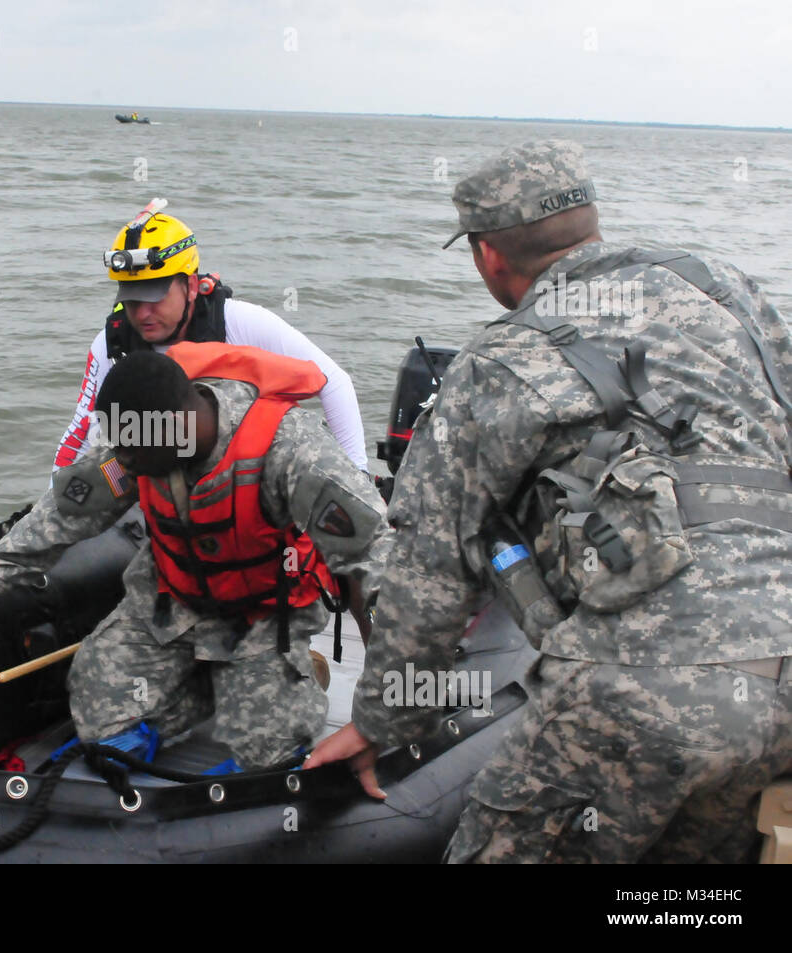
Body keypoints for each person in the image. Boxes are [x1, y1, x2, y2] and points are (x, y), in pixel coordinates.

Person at [308, 140, 792, 863]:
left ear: (487, 256)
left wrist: (381, 718)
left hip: (643, 694)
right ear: (589, 220)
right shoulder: (724, 287)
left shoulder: (492, 366)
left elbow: (429, 579)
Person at [0, 343, 388, 769]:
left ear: (180, 425)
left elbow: (375, 556)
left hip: (260, 621)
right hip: (171, 605)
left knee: (269, 752)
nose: (121, 462)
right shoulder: (139, 444)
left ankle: (282, 681)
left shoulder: (290, 450)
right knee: (96, 703)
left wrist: (384, 704)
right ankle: (209, 686)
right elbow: (62, 514)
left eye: (130, 452)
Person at [54, 199, 370, 472]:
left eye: (156, 297)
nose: (142, 313)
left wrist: (357, 473)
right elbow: (83, 431)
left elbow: (334, 383)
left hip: (245, 480)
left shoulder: (241, 322)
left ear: (191, 286)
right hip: (160, 478)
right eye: (132, 299)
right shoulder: (112, 344)